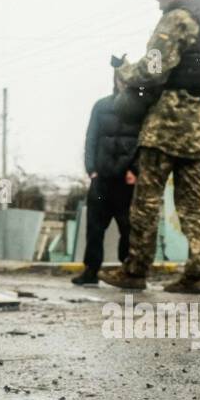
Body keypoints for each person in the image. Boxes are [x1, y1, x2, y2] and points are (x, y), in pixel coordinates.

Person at [101, 0, 200, 295]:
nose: (158, 4)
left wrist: (125, 71)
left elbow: (154, 69)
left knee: (146, 200)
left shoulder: (175, 18)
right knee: (191, 203)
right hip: (199, 127)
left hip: (167, 125)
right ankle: (198, 272)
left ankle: (135, 270)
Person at [76, 61, 142, 285]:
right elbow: (91, 138)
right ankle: (90, 271)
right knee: (94, 228)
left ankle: (126, 271)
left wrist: (135, 170)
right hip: (101, 178)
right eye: (120, 77)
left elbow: (144, 142)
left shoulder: (141, 108)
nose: (123, 82)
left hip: (127, 179)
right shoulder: (101, 105)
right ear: (115, 79)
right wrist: (91, 169)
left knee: (128, 228)